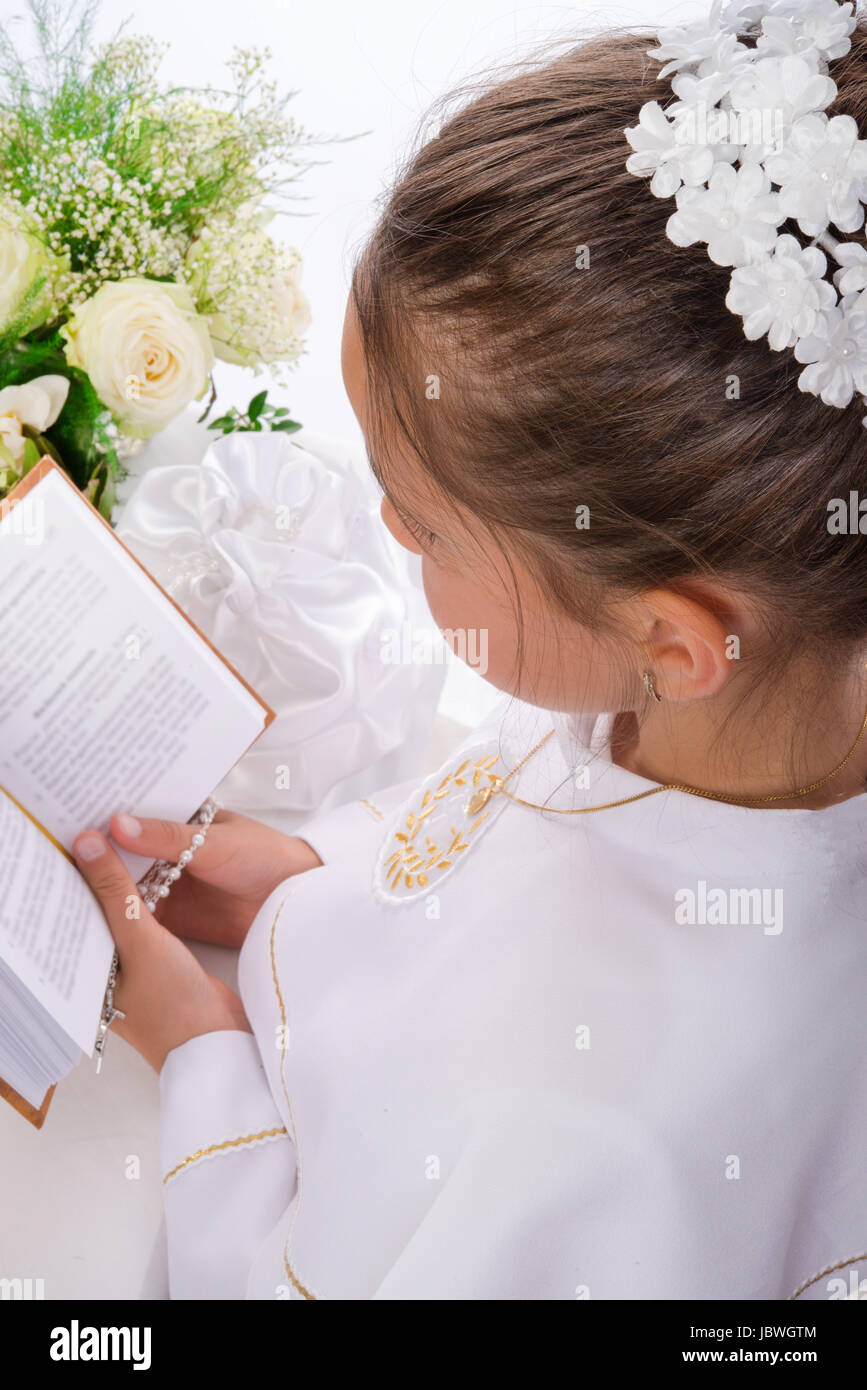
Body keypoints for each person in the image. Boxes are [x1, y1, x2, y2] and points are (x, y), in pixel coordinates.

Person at [72, 6, 867, 1300]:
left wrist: (206, 1060)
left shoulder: (607, 1139)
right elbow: (535, 810)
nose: (383, 526)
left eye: (428, 526)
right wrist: (319, 874)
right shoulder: (766, 679)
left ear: (672, 635)